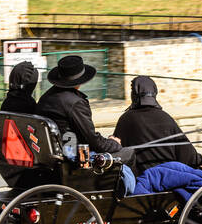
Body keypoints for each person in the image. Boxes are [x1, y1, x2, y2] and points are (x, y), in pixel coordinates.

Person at [37, 54, 135, 194]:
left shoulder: (45, 98)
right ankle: (126, 198)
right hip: (73, 157)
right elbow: (93, 141)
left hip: (54, 155)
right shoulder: (75, 103)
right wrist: (114, 143)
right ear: (80, 80)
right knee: (128, 153)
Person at [113, 76, 202, 172]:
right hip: (169, 180)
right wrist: (200, 159)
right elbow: (188, 156)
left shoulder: (125, 119)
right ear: (154, 94)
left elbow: (116, 151)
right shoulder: (166, 118)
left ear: (134, 95)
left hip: (142, 183)